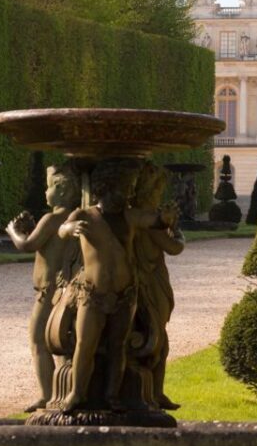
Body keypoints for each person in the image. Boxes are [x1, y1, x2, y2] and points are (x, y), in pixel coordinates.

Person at [58, 159, 177, 413]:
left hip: (125, 295)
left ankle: (113, 394)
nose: (128, 193)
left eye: (131, 187)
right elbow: (61, 229)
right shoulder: (84, 215)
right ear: (105, 187)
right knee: (84, 344)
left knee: (118, 347)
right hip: (93, 294)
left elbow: (154, 221)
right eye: (124, 187)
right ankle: (77, 393)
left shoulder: (130, 216)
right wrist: (69, 228)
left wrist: (165, 219)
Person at [6, 164, 81, 413]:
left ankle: (47, 394)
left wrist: (14, 232)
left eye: (49, 187)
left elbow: (28, 245)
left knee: (39, 340)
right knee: (60, 341)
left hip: (46, 291)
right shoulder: (72, 218)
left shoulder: (51, 219)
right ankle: (64, 391)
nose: (44, 193)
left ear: (61, 190)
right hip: (62, 289)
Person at [132, 163, 185, 410]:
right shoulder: (150, 221)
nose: (159, 195)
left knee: (154, 337)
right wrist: (176, 230)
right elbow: (174, 248)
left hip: (141, 282)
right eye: (157, 190)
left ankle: (153, 392)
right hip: (152, 284)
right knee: (158, 339)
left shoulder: (134, 217)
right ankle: (154, 392)